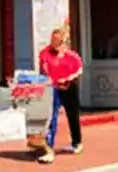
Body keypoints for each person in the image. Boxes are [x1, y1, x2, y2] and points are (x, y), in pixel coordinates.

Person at [36, 28, 83, 164]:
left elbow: (78, 69)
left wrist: (67, 81)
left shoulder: (71, 55)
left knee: (72, 115)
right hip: (54, 87)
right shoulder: (46, 53)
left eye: (57, 40)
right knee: (52, 116)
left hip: (68, 87)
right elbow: (43, 69)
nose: (54, 42)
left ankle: (77, 142)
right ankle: (48, 146)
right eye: (52, 39)